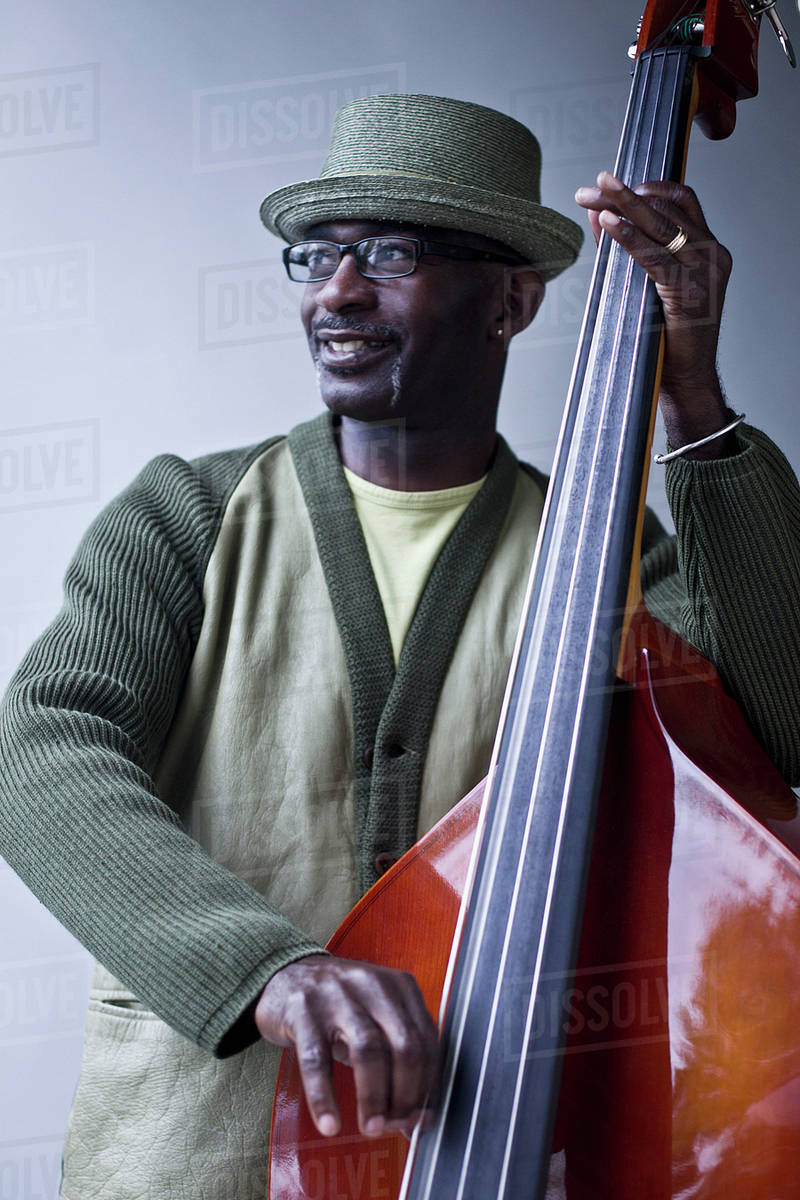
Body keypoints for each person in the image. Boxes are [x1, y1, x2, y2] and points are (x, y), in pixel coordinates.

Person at [1, 93, 799, 1200]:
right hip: (191, 1165)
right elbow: (37, 758)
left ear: (510, 300)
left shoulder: (609, 559)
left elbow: (770, 737)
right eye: (316, 256)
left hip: (482, 1159)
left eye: (387, 253)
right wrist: (266, 971)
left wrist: (692, 398)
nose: (335, 291)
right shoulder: (184, 515)